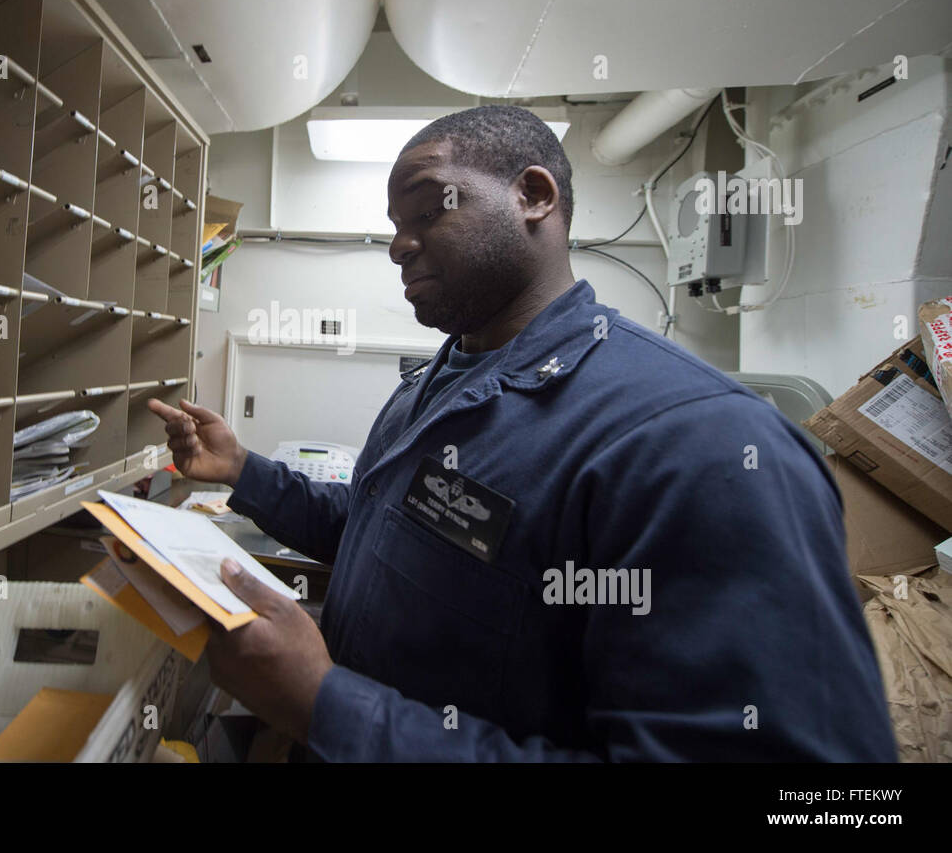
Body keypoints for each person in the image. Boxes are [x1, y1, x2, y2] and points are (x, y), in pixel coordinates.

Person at [148, 105, 896, 762]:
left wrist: (328, 706)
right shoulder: (432, 386)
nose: (398, 246)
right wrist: (245, 470)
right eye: (393, 230)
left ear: (533, 195)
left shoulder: (700, 445)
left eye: (428, 210)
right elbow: (371, 533)